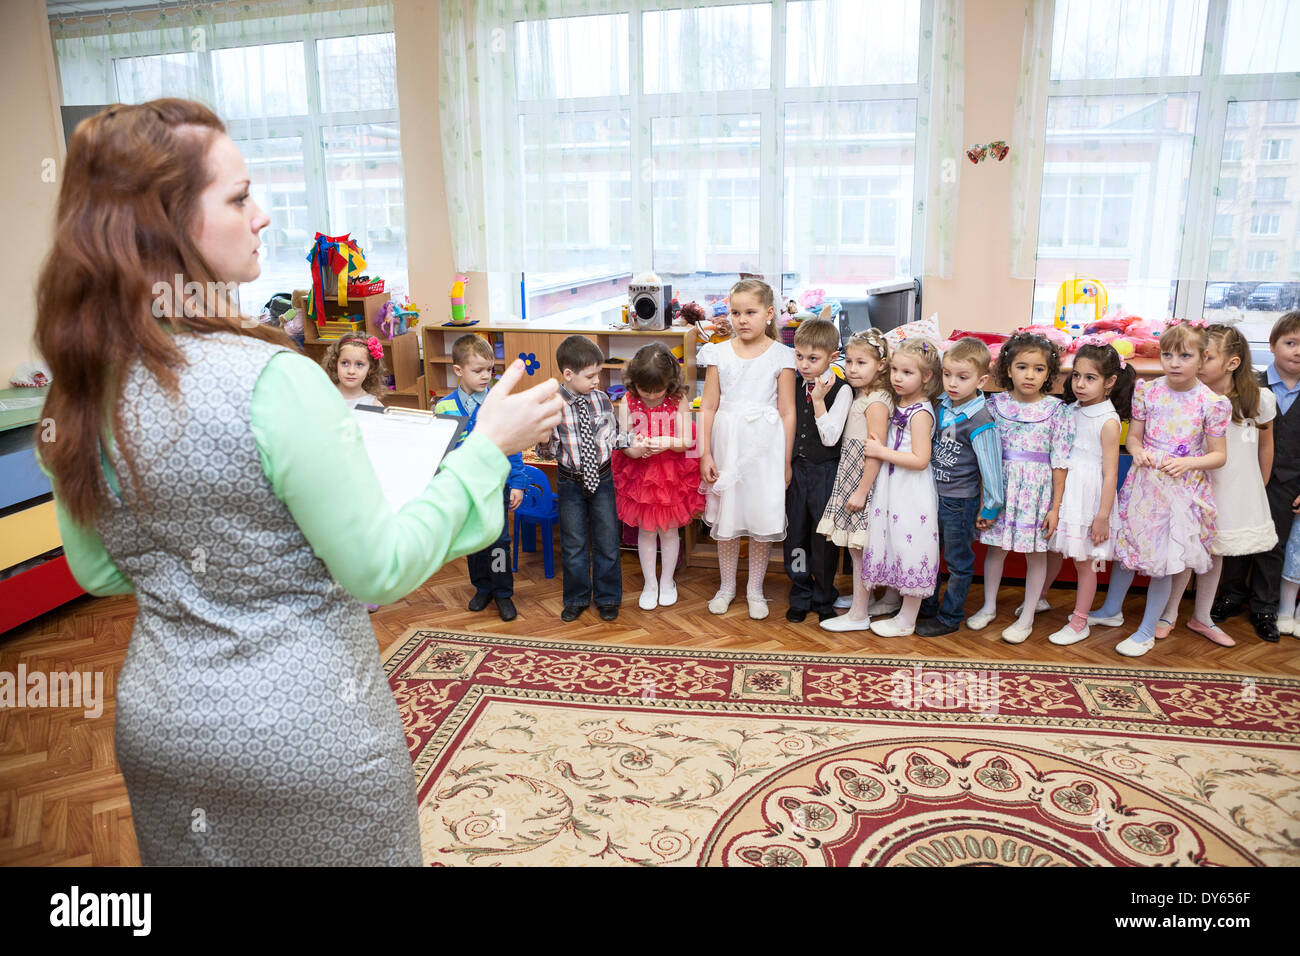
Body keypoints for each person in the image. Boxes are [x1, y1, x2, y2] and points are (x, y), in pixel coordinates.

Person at [35, 99, 562, 866]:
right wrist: (486, 448)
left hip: (163, 732)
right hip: (307, 737)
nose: (264, 216)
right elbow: (379, 566)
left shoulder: (78, 387)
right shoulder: (276, 380)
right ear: (168, 223)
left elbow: (100, 568)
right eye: (240, 197)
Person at [1090, 322, 1229, 657]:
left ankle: (1147, 630)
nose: (1174, 362)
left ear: (1202, 358)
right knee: (1128, 552)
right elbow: (1134, 437)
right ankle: (1111, 610)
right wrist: (1137, 451)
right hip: (1144, 485)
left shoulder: (1211, 402)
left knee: (1165, 561)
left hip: (1180, 492)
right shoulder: (1147, 391)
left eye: (1185, 355)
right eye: (1168, 354)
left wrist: (1187, 463)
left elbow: (1218, 455)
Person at [1157, 324, 1275, 646]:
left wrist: (1260, 484)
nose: (1199, 363)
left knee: (1214, 552)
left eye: (1206, 357)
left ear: (1232, 363)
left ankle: (1202, 616)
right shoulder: (1195, 398)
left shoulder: (1259, 400)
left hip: (1234, 487)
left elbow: (1266, 445)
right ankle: (1169, 611)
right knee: (1187, 550)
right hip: (1197, 484)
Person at [697, 278, 797, 620]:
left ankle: (755, 588)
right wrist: (706, 453)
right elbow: (708, 406)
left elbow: (787, 411)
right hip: (727, 445)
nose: (742, 319)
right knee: (728, 517)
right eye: (735, 312)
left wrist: (784, 462)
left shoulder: (783, 356)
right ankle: (726, 587)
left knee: (759, 517)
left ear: (768, 314)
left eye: (750, 312)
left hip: (765, 449)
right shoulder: (718, 352)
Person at [967, 332, 1074, 643]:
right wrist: (984, 498)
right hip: (1000, 489)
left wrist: (1055, 507)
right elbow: (984, 452)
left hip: (1036, 494)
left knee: (1036, 554)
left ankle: (1027, 616)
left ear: (1049, 373)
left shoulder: (1057, 411)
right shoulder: (994, 404)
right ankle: (988, 606)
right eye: (1022, 366)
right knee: (995, 547)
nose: (1030, 375)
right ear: (1008, 369)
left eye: (1039, 369)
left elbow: (1060, 463)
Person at [1213, 312, 1300, 643]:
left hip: (1288, 483)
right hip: (1243, 477)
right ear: (1273, 345)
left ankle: (1265, 607)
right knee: (1236, 537)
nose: (1297, 351)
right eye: (1290, 343)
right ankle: (1229, 597)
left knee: (1272, 542)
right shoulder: (1251, 387)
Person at [536, 334, 634, 621]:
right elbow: (547, 452)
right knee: (574, 543)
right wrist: (543, 439)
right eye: (590, 376)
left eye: (598, 374)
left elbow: (611, 436)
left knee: (607, 541)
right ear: (568, 374)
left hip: (603, 480)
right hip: (570, 483)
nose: (597, 381)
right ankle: (577, 598)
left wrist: (632, 442)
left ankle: (608, 598)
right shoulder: (553, 406)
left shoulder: (602, 399)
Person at [434, 333, 529, 622]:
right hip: (464, 490)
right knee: (473, 542)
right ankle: (482, 587)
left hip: (496, 488)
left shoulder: (499, 404)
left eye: (490, 370)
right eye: (478, 371)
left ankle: (503, 593)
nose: (486, 376)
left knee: (499, 543)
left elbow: (512, 447)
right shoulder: (444, 408)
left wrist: (518, 483)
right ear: (458, 370)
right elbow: (441, 452)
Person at [914, 336, 1005, 638]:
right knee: (929, 554)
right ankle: (925, 607)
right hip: (932, 496)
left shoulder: (981, 419)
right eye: (948, 374)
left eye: (962, 378)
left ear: (982, 379)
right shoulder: (940, 405)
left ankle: (949, 615)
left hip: (959, 503)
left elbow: (991, 468)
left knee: (958, 562)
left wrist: (990, 506)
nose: (952, 383)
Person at [1046, 344, 1135, 646]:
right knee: (1056, 549)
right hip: (1066, 489)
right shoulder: (1071, 410)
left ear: (1109, 381)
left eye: (1090, 378)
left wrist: (1102, 517)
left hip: (1088, 495)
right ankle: (1041, 597)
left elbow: (1110, 473)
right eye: (1076, 376)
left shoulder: (1107, 421)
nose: (1080, 384)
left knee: (1084, 561)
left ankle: (1080, 621)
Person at [860, 337, 943, 638]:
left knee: (911, 544)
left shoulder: (920, 412)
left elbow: (921, 458)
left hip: (911, 488)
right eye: (895, 369)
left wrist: (880, 452)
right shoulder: (901, 403)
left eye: (907, 372)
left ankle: (908, 618)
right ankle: (892, 600)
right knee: (893, 539)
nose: (897, 377)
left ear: (927, 377)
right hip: (893, 484)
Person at [612, 341, 704, 609]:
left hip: (671, 475)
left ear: (670, 382)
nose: (651, 396)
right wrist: (634, 450)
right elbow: (623, 438)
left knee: (668, 530)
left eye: (658, 390)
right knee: (646, 531)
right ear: (634, 383)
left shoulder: (678, 400)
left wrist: (665, 441)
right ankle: (650, 583)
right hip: (639, 474)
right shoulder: (628, 400)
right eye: (645, 391)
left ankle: (667, 581)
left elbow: (686, 440)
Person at [819, 329, 893, 632]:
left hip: (864, 478)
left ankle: (859, 614)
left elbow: (875, 452)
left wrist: (862, 491)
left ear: (881, 365)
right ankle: (865, 599)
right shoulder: (865, 395)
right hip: (852, 471)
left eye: (861, 362)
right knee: (854, 546)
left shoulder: (876, 402)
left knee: (859, 547)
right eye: (849, 361)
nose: (851, 368)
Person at [785, 317, 851, 623]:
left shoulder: (843, 391)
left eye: (813, 358)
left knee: (823, 539)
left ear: (832, 357)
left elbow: (830, 437)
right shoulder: (793, 386)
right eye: (799, 356)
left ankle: (825, 595)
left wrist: (820, 398)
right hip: (797, 471)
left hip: (826, 472)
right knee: (795, 535)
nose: (804, 365)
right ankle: (800, 592)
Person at [323, 332, 384, 410]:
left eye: (359, 364)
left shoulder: (374, 406)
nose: (351, 371)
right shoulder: (323, 398)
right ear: (335, 363)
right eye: (344, 363)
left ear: (371, 368)